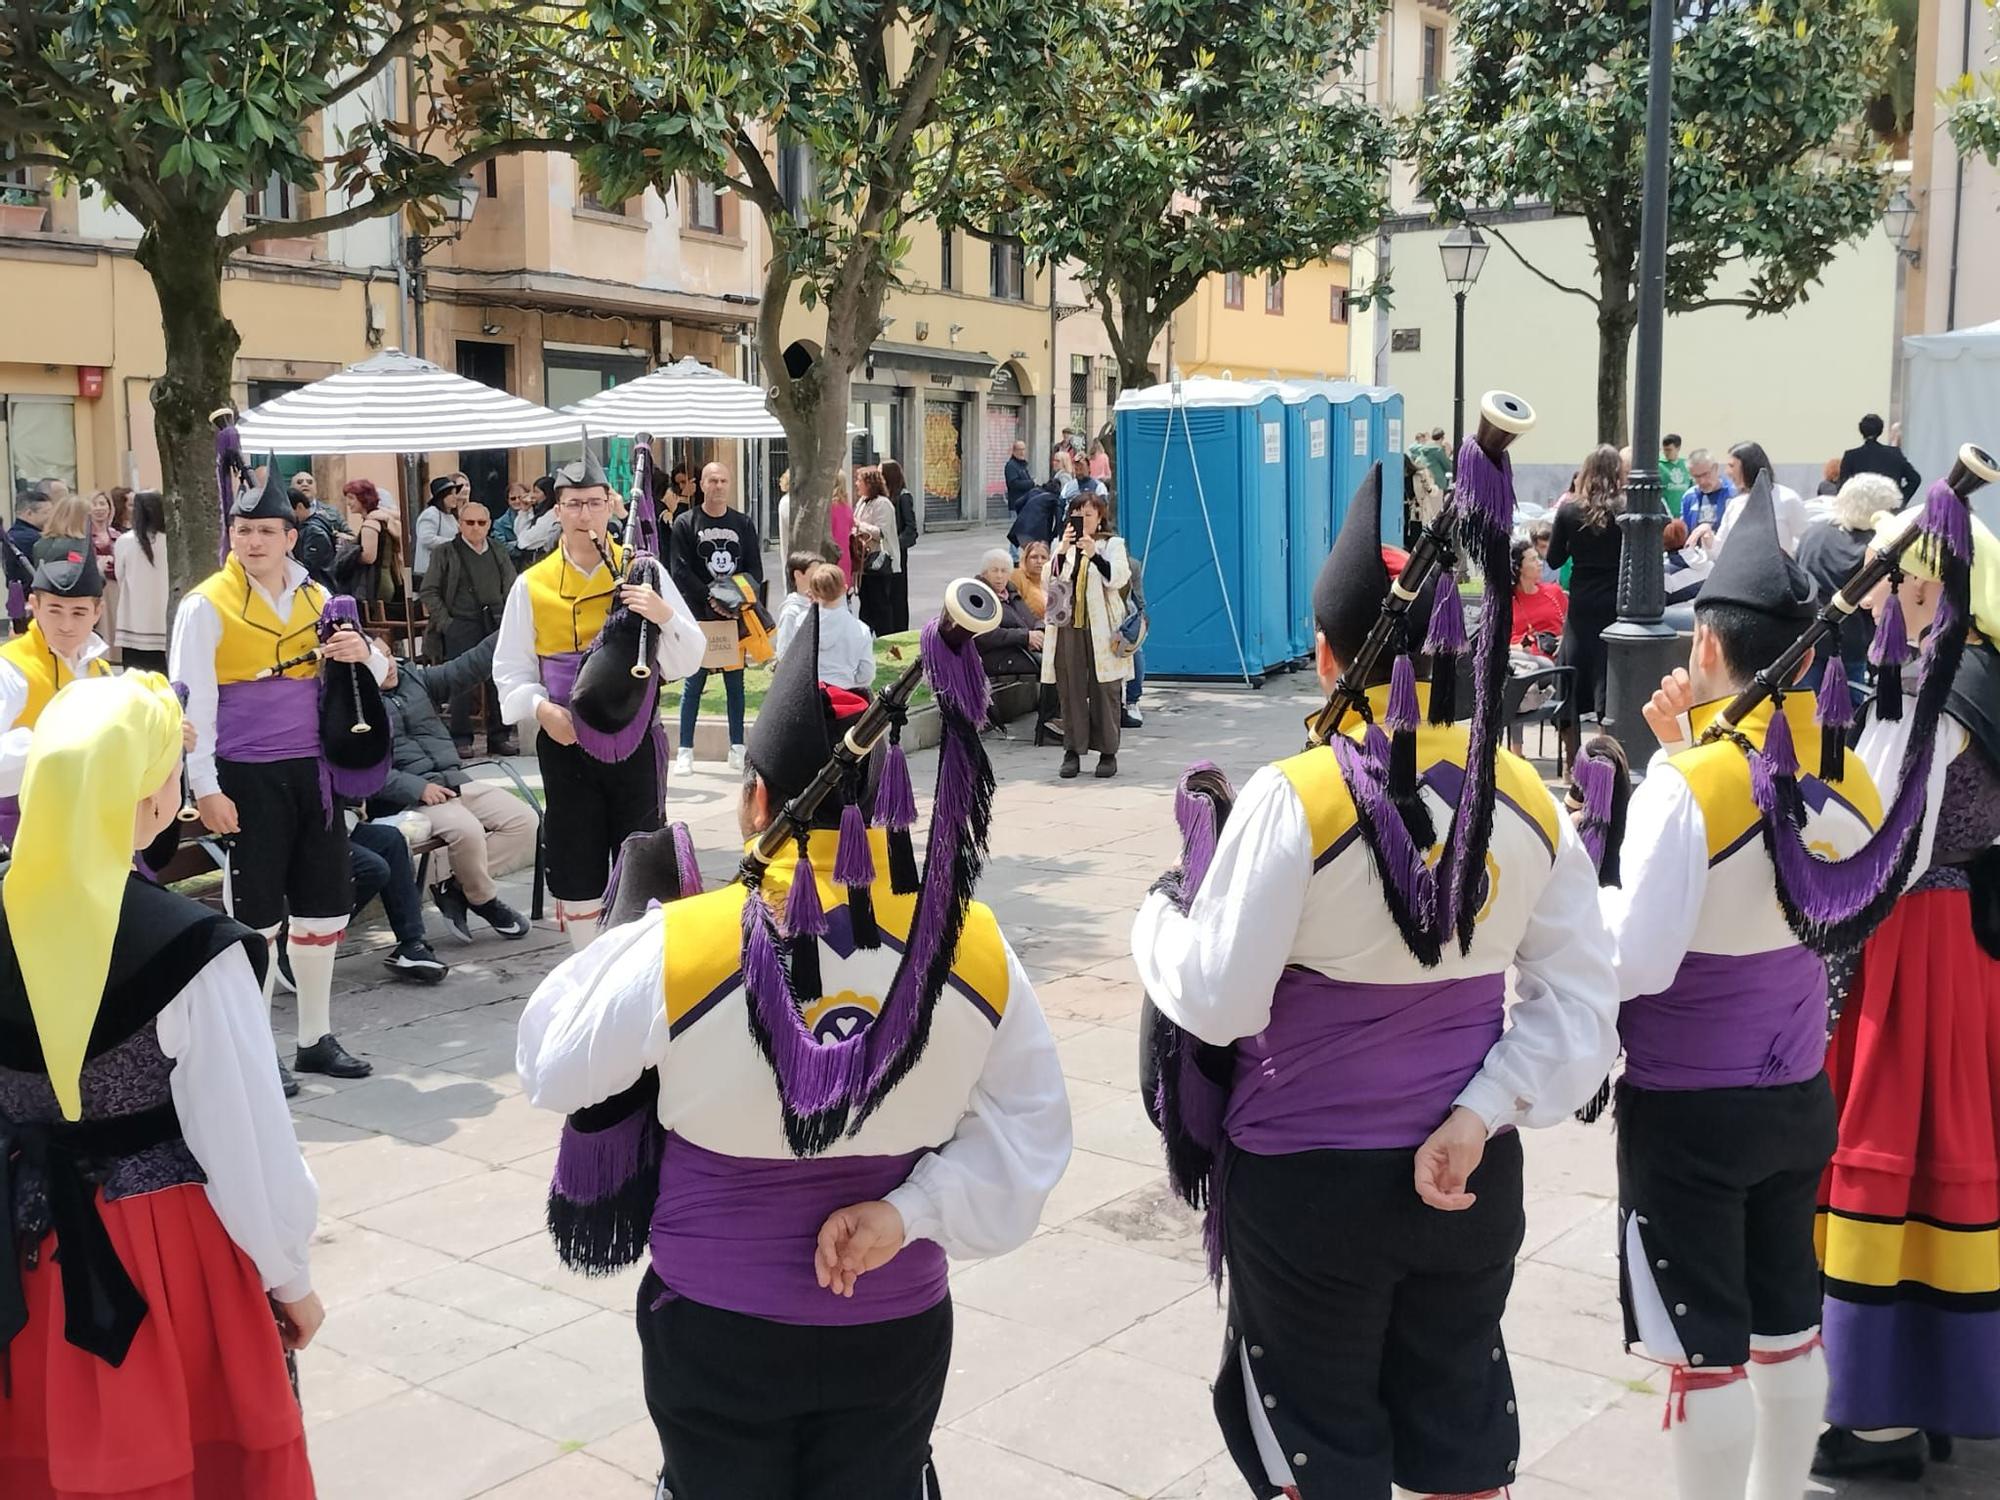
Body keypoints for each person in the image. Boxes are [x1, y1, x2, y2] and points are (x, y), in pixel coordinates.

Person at [1131, 468, 1620, 1500]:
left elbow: (1217, 999)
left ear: (1323, 659)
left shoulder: (1296, 798)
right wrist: (1479, 1110)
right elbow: (1581, 1012)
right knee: (1456, 1446)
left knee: (1319, 1453)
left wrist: (1155, 922)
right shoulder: (1523, 794)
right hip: (1468, 1170)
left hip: (1308, 1193)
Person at [516, 610, 1071, 1500]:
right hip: (889, 1320)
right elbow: (1033, 1139)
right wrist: (909, 1213)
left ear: (758, 803)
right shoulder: (972, 949)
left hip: (717, 1326)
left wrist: (632, 933)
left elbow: (549, 1062)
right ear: (891, 805)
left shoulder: (685, 945)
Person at [1601, 480, 1883, 1500]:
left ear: (1707, 650)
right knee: (1784, 1326)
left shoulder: (1686, 787)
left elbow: (1635, 956)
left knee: (1704, 1348)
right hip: (1798, 1095)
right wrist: (1687, 756)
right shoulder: (1849, 773)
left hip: (1689, 1110)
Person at [0, 673, 322, 1500]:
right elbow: (243, 1136)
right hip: (161, 1254)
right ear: (150, 800)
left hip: (23, 1243)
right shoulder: (191, 951)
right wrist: (289, 1276)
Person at [1814, 500, 2000, 1481]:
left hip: (1906, 945)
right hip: (1962, 946)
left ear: (1925, 583)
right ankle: (1926, 1395)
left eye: (1884, 572)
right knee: (1943, 1157)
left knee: (1883, 1151)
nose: (1872, 588)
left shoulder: (1941, 687)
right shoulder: (1981, 673)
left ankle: (1878, 1415)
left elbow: (1874, 834)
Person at [171, 465, 385, 1084]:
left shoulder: (319, 597)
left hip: (312, 777)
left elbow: (372, 674)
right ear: (230, 534)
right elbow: (193, 704)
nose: (255, 542)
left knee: (322, 910)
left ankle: (315, 1037)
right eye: (244, 530)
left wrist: (361, 653)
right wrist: (205, 787)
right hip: (245, 776)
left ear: (292, 536)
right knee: (256, 918)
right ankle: (257, 1049)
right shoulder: (204, 605)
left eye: (267, 530)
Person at [495, 450, 703, 950]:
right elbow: (510, 669)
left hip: (634, 739)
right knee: (577, 862)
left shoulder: (643, 571)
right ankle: (584, 969)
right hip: (566, 743)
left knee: (639, 858)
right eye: (572, 504)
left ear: (612, 505)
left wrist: (663, 615)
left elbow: (689, 656)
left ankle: (632, 969)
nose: (584, 514)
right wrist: (541, 710)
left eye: (593, 502)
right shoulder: (533, 583)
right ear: (557, 511)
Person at [367, 635, 535, 942]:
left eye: (390, 655)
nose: (389, 665)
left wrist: (515, 624)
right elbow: (364, 772)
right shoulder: (356, 707)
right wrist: (417, 788)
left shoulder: (414, 679)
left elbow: (466, 667)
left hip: (454, 782)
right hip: (411, 799)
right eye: (377, 661)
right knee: (467, 830)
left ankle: (454, 887)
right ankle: (484, 900)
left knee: (525, 821)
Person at [0, 536, 116, 846]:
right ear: (34, 606)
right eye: (54, 610)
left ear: (97, 612)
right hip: (28, 825)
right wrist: (50, 737)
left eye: (78, 613)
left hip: (93, 816)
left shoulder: (100, 670)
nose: (66, 625)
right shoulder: (10, 669)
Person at [275, 816, 452, 989]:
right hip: (302, 830)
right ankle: (296, 937)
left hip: (338, 824)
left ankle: (411, 943)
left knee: (390, 840)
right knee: (373, 868)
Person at [669, 461, 764, 776]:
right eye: (712, 480)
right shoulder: (685, 522)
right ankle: (685, 750)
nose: (719, 486)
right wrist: (710, 596)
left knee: (735, 684)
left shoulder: (743, 523)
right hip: (698, 618)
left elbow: (754, 571)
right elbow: (679, 569)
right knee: (692, 684)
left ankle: (737, 747)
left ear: (730, 483)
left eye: (724, 480)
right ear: (701, 484)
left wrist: (732, 599)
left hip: (733, 617)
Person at [1044, 489, 1130, 779]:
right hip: (1068, 627)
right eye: (1076, 514)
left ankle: (1108, 752)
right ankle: (1072, 750)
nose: (1082, 519)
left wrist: (1094, 555)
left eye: (1088, 514)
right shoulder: (1062, 545)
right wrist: (1063, 550)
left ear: (1100, 517)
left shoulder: (1112, 544)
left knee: (1105, 689)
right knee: (1070, 688)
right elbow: (1049, 580)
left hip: (1102, 628)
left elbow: (1119, 577)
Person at [421, 498, 518, 756]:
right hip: (460, 623)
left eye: (481, 522)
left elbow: (511, 586)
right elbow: (429, 591)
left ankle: (500, 735)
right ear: (460, 524)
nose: (475, 528)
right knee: (459, 682)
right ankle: (461, 738)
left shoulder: (498, 550)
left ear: (488, 525)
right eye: (469, 522)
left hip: (496, 622)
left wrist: (510, 617)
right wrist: (447, 623)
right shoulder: (446, 552)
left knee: (500, 679)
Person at [1549, 444, 1626, 756]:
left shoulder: (1569, 510)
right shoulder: (1626, 509)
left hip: (1581, 604)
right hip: (1617, 603)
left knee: (1572, 673)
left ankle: (1571, 761)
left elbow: (1554, 559)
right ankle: (1608, 756)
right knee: (1607, 677)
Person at [1796, 473, 1898, 691]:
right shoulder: (1875, 548)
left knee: (1805, 709)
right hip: (1850, 645)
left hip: (1808, 637)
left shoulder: (1813, 534)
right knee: (1847, 715)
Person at [774, 561, 875, 691]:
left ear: (812, 592)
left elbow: (792, 659)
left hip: (808, 694)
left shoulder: (802, 622)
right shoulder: (861, 629)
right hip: (843, 694)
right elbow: (866, 674)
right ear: (844, 589)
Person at [1705, 442, 1809, 557]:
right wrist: (1706, 534)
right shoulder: (1735, 505)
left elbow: (1805, 541)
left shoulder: (1788, 499)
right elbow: (1720, 550)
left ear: (1748, 466)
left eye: (1732, 466)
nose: (1727, 472)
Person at [112, 489, 171, 673]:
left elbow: (119, 576)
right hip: (165, 618)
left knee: (136, 678)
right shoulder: (171, 541)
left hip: (134, 620)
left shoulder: (125, 541)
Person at [975, 546, 1043, 680]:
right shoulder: (979, 598)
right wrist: (1025, 637)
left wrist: (1040, 630)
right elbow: (983, 636)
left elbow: (1031, 618)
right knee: (1049, 667)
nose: (999, 576)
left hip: (1021, 650)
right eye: (994, 570)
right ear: (984, 573)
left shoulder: (1010, 593)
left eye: (1004, 571)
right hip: (998, 656)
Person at [337, 478, 405, 606]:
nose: (348, 503)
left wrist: (348, 555)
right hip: (382, 579)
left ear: (363, 498)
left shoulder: (371, 523)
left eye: (352, 498)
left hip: (375, 582)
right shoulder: (377, 519)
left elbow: (368, 557)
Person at [852, 464, 901, 638]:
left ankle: (886, 639)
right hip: (864, 564)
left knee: (880, 606)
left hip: (879, 564)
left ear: (869, 483)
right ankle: (866, 640)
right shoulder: (862, 502)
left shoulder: (883, 504)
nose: (856, 484)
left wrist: (860, 525)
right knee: (866, 606)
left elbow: (881, 532)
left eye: (859, 480)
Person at [1837, 413, 1923, 503]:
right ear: (1881, 430)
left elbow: (1842, 488)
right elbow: (1915, 479)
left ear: (1861, 430)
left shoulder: (1850, 456)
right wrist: (1899, 500)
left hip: (1860, 510)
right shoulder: (1895, 453)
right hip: (1888, 510)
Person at [1508, 536, 1569, 652]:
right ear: (1518, 567)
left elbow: (1572, 626)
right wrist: (1520, 648)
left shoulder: (1554, 592)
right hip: (1522, 658)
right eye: (1533, 560)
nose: (1540, 563)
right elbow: (1497, 645)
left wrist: (1565, 639)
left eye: (1538, 558)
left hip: (1556, 655)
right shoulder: (1507, 601)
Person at [5, 488, 49, 633]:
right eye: (46, 513)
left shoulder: (12, 535)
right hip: (33, 600)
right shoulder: (31, 539)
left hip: (20, 600)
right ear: (29, 513)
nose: (50, 517)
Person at [87, 490, 121, 656]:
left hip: (115, 584)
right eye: (95, 504)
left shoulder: (117, 535)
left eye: (103, 504)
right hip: (95, 585)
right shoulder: (83, 535)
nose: (99, 508)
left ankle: (117, 654)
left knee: (115, 619)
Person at [412, 472, 464, 582]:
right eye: (452, 494)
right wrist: (454, 542)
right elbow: (427, 538)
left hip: (446, 571)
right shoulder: (431, 514)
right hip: (430, 572)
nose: (456, 497)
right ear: (442, 496)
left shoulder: (450, 516)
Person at [885, 457, 917, 633]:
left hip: (898, 551)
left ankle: (900, 627)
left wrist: (896, 544)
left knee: (898, 591)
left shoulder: (903, 496)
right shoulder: (885, 496)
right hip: (887, 551)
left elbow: (911, 528)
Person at [289, 484, 341, 591]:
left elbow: (309, 567)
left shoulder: (314, 532)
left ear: (299, 507)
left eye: (289, 511)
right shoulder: (312, 526)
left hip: (319, 589)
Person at [772, 550, 820, 659]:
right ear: (798, 575)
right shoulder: (791, 612)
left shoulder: (825, 605)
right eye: (814, 574)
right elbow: (783, 652)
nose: (819, 578)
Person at [1679, 449, 1736, 535]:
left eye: (1705, 474)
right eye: (1696, 477)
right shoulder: (1689, 496)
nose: (1702, 481)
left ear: (1716, 468)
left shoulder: (1734, 494)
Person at [492, 480, 534, 557]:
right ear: (508, 500)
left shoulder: (538, 516)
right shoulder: (499, 524)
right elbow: (501, 548)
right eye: (513, 498)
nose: (517, 501)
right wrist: (522, 546)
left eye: (521, 497)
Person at [1011, 538, 1049, 623]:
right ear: (1025, 559)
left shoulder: (1050, 581)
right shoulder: (1017, 576)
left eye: (1043, 558)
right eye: (1034, 557)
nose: (1039, 561)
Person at [1004, 439, 1035, 515]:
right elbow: (1013, 484)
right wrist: (1031, 483)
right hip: (1016, 505)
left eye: (1024, 449)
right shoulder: (1011, 465)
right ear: (1014, 451)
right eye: (1019, 450)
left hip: (1025, 504)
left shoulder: (1022, 465)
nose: (1022, 452)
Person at [1660, 433, 1692, 501]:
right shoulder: (1659, 465)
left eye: (1669, 450)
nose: (1666, 453)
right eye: (1664, 450)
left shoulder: (1686, 465)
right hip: (1666, 509)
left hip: (1683, 509)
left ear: (1678, 448)